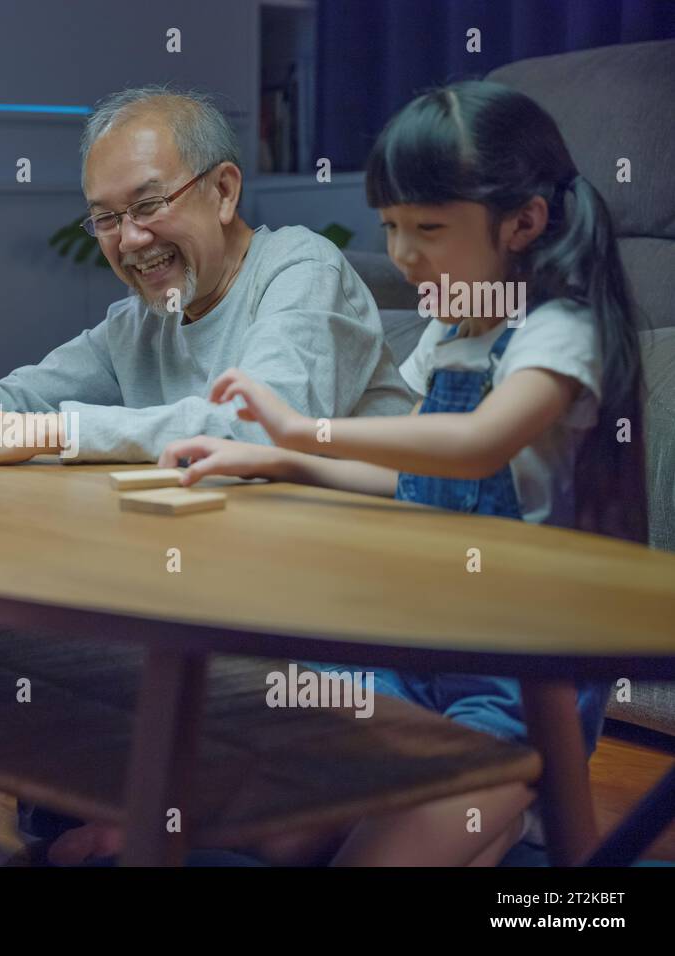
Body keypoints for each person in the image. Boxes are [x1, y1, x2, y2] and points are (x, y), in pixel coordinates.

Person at [145, 81, 647, 866]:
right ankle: (492, 827)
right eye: (390, 227)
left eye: (430, 227)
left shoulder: (560, 333)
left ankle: (506, 808)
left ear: (524, 222)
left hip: (513, 688)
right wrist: (280, 460)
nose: (404, 255)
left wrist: (300, 424)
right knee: (277, 823)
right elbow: (418, 480)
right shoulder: (452, 330)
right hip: (417, 663)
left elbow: (476, 446)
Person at [0, 86, 413, 463]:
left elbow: (263, 429)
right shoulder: (137, 324)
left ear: (225, 191)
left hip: (349, 583)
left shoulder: (300, 267)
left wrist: (39, 435)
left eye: (149, 205)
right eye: (105, 218)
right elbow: (20, 396)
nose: (129, 239)